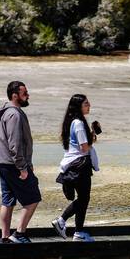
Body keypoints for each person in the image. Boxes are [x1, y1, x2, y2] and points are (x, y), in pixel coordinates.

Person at [0, 81, 40, 243]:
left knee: (8, 200)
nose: (28, 95)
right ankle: (19, 233)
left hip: (3, 162)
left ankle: (5, 237)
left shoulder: (5, 112)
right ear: (15, 95)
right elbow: (15, 143)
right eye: (25, 93)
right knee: (33, 198)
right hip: (13, 164)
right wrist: (23, 167)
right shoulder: (14, 114)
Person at [52, 93, 100, 242]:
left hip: (74, 163)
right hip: (80, 165)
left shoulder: (73, 121)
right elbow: (84, 148)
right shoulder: (78, 123)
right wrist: (91, 138)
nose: (89, 105)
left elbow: (80, 145)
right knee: (84, 198)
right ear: (78, 106)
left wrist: (92, 133)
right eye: (86, 103)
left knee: (83, 199)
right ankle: (62, 220)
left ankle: (78, 232)